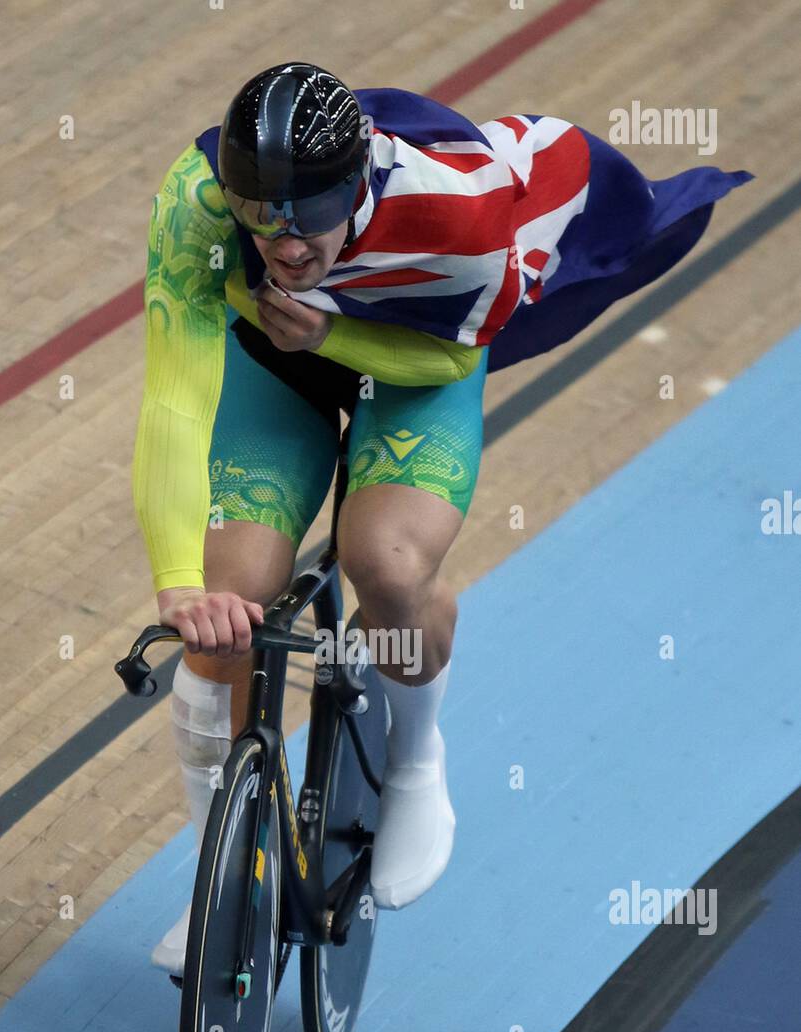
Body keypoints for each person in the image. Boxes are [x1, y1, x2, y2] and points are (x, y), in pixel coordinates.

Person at [132, 62, 752, 975]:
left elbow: (454, 368)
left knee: (382, 562)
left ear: (359, 189)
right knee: (225, 615)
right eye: (260, 217)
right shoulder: (196, 202)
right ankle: (221, 874)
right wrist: (179, 582)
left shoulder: (458, 213)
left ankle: (417, 758)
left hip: (412, 366)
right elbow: (175, 400)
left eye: (307, 222)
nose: (283, 245)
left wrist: (331, 335)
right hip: (273, 362)